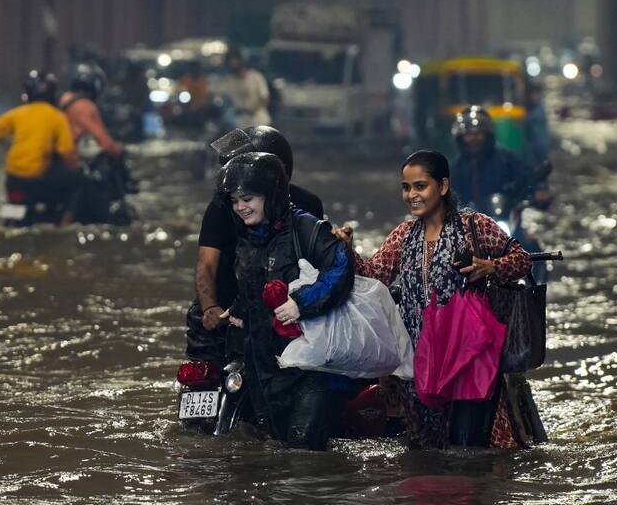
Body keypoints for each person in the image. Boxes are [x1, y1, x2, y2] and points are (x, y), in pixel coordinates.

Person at [333, 149, 544, 449]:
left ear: (442, 187)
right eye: (406, 187)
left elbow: (522, 260)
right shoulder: (403, 235)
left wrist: (491, 266)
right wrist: (348, 250)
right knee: (427, 451)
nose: (411, 195)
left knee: (467, 449)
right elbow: (375, 273)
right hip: (418, 362)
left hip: (467, 355)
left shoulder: (475, 226)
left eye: (420, 186)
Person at [217, 151, 353, 449]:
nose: (241, 207)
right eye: (235, 200)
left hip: (312, 370)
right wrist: (239, 310)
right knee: (277, 454)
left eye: (248, 199)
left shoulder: (307, 229)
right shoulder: (248, 238)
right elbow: (253, 288)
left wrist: (300, 303)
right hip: (265, 370)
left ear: (271, 194)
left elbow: (341, 269)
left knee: (302, 458)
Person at [188, 126, 324, 365]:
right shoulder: (223, 207)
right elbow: (206, 266)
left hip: (282, 314)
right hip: (226, 311)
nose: (240, 206)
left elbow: (319, 266)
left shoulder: (306, 207)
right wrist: (211, 307)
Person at [0, 70, 79, 225]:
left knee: (12, 212)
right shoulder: (57, 117)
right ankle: (63, 224)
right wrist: (75, 166)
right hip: (37, 178)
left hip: (13, 176)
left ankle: (9, 221)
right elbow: (66, 151)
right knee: (77, 182)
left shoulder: (17, 114)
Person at [449, 105, 550, 213]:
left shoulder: (506, 159)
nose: (474, 138)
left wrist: (539, 189)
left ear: (488, 135)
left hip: (504, 218)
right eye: (468, 134)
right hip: (471, 225)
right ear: (460, 138)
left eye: (479, 133)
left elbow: (526, 176)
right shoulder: (456, 168)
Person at [58, 63, 124, 156]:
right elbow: (100, 136)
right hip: (71, 156)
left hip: (60, 153)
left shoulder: (65, 98)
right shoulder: (86, 106)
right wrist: (115, 149)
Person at [219, 48, 270, 128]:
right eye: (231, 60)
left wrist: (253, 109)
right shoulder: (229, 81)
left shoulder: (255, 76)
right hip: (241, 123)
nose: (233, 63)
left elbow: (265, 97)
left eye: (235, 60)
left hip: (259, 121)